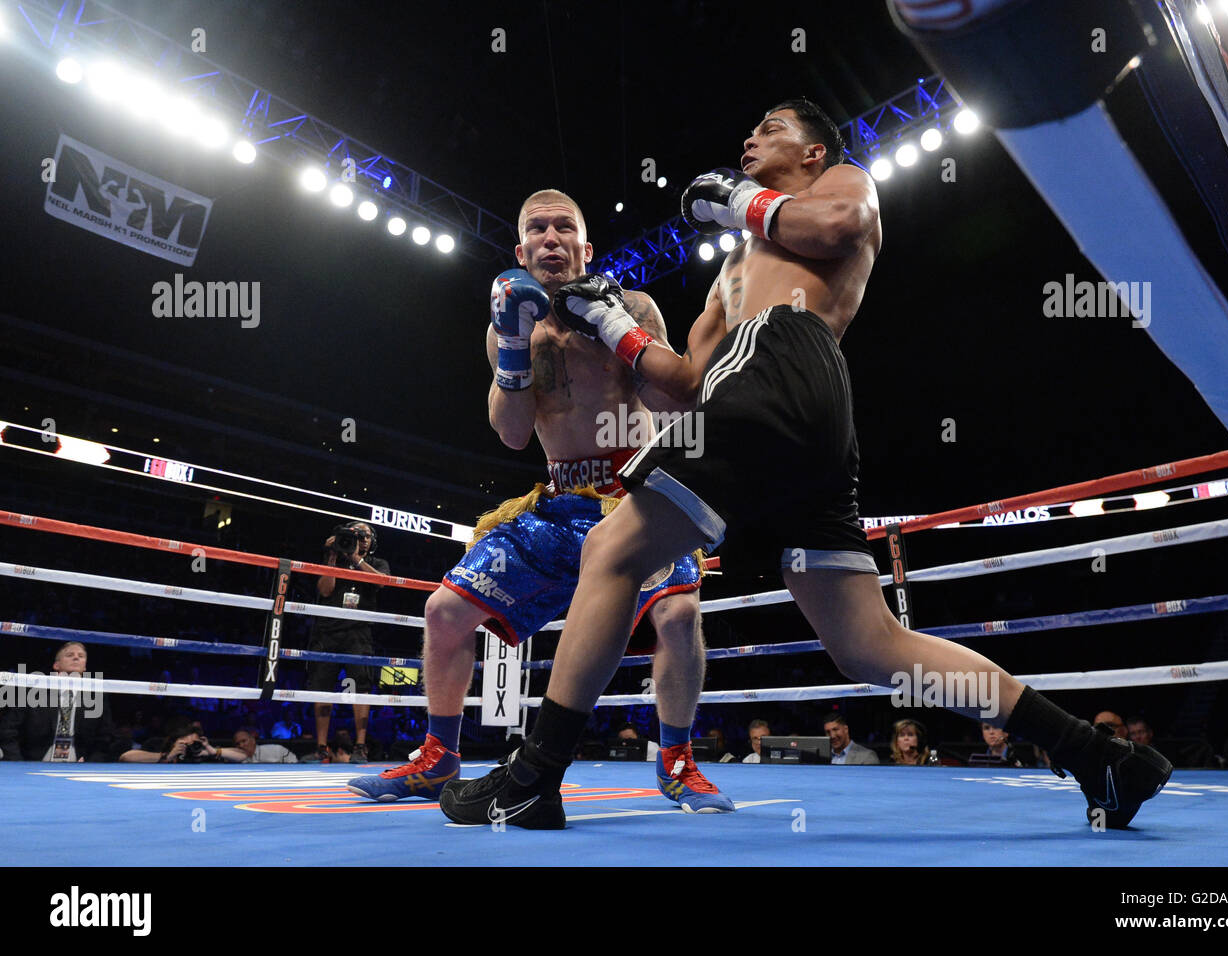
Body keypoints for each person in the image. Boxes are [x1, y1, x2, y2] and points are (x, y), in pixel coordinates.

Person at [438, 97, 1172, 830]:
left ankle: (535, 776)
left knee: (610, 549)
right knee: (868, 644)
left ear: (814, 151)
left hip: (783, 360)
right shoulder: (734, 268)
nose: (750, 137)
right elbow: (689, 381)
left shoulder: (841, 184)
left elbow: (837, 229)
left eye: (770, 129)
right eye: (750, 129)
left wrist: (735, 198)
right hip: (794, 417)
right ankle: (1099, 759)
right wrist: (615, 325)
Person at [347, 189, 733, 813]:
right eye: (537, 229)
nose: (551, 238)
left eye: (564, 228)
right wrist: (515, 345)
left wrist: (620, 331)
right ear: (521, 249)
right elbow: (511, 430)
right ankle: (439, 756)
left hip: (635, 499)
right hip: (557, 503)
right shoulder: (507, 325)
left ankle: (677, 762)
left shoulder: (634, 305)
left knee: (679, 618)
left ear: (586, 247)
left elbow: (676, 402)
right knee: (444, 612)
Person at [308, 521, 389, 764]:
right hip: (327, 631)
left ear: (371, 541)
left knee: (360, 688)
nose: (360, 538)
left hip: (358, 632)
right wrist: (333, 557)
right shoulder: (334, 559)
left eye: (364, 535)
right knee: (322, 688)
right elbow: (324, 591)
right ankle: (322, 748)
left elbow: (381, 582)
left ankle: (360, 746)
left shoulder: (376, 564)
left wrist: (355, 559)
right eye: (355, 534)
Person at [0, 642, 117, 762]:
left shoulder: (96, 696)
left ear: (85, 666)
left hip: (79, 764)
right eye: (70, 655)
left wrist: (91, 764)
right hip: (33, 761)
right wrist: (18, 763)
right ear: (56, 665)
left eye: (81, 656)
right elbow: (8, 730)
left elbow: (105, 737)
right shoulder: (33, 691)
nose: (76, 657)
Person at [226, 726, 298, 763]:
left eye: (244, 741)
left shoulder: (276, 750)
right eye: (237, 744)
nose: (241, 746)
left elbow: (295, 763)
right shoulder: (234, 759)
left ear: (253, 740)